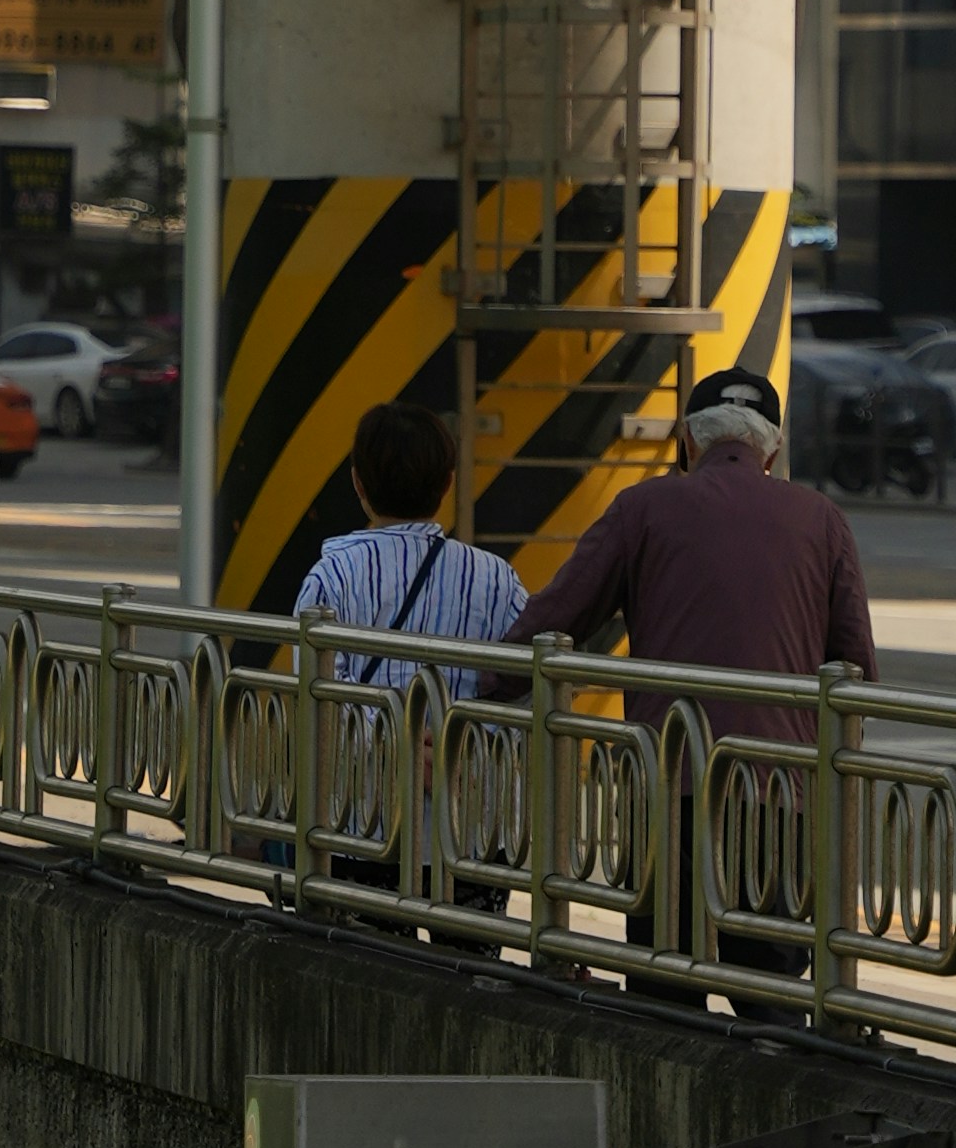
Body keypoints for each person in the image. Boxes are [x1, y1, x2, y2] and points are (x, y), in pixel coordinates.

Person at [516, 382, 876, 972]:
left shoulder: (641, 509)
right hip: (777, 792)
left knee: (666, 989)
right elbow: (856, 667)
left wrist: (472, 694)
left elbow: (554, 620)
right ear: (774, 451)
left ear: (686, 440)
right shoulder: (823, 519)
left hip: (667, 788)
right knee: (772, 1000)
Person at [289, 400, 534, 893]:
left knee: (373, 963)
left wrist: (396, 745)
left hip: (362, 828)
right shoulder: (497, 580)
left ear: (358, 483)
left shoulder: (331, 579)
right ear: (447, 485)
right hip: (472, 833)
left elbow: (318, 703)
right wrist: (455, 742)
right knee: (468, 969)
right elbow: (525, 694)